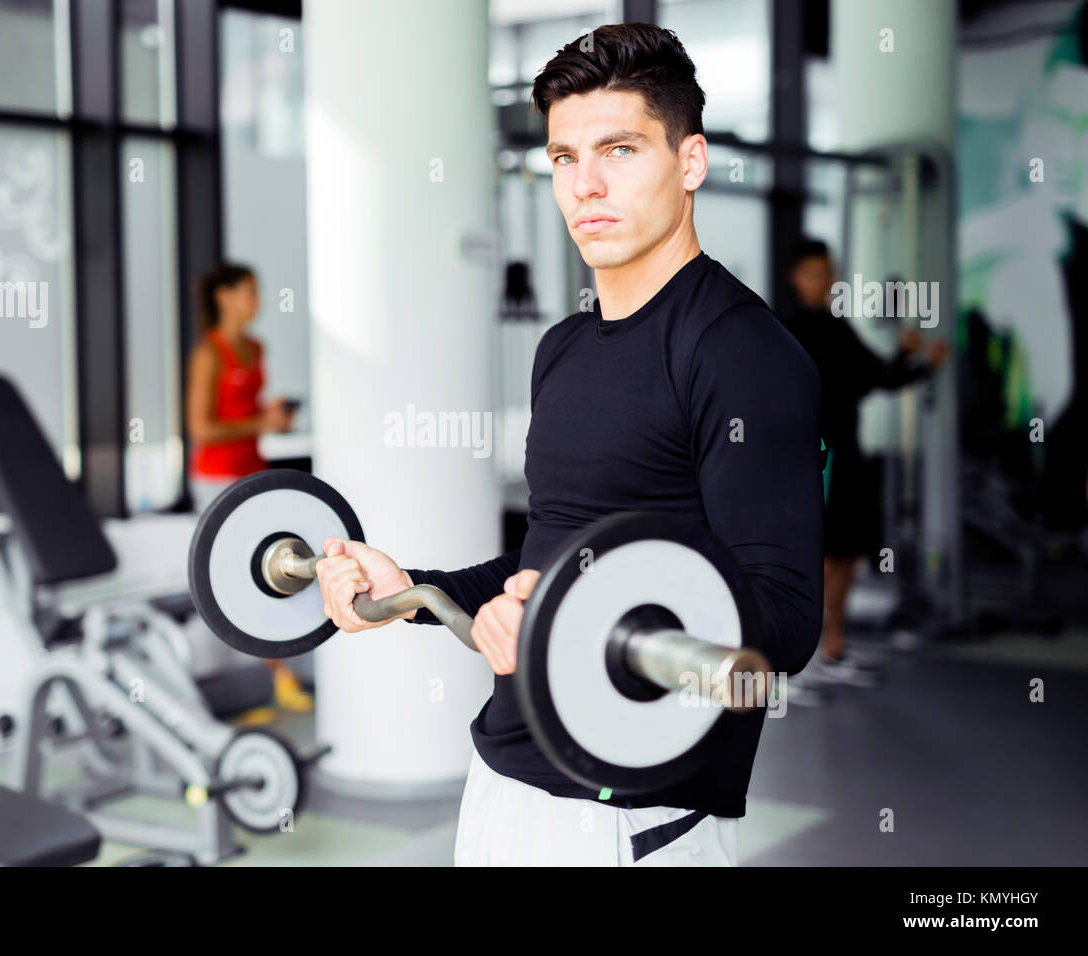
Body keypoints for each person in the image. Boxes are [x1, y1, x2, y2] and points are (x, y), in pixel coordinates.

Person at [316, 24, 824, 865]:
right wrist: (414, 586)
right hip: (505, 779)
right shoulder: (566, 345)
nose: (585, 186)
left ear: (689, 162)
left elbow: (782, 629)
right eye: (562, 158)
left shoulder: (742, 353)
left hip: (633, 815)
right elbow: (550, 552)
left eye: (619, 150)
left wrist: (568, 621)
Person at [781, 239, 948, 690]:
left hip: (849, 452)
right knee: (816, 558)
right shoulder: (787, 329)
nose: (826, 281)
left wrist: (916, 362)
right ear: (798, 278)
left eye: (830, 272)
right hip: (815, 457)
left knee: (848, 554)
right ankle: (793, 660)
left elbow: (876, 377)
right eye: (816, 273)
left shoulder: (836, 327)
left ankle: (832, 648)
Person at [185, 262, 312, 719]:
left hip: (251, 474)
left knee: (261, 577)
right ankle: (264, 682)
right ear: (224, 296)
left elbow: (245, 410)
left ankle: (268, 680)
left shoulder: (256, 348)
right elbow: (201, 428)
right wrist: (261, 421)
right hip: (215, 480)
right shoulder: (209, 353)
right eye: (249, 293)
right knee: (235, 582)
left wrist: (270, 414)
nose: (257, 302)